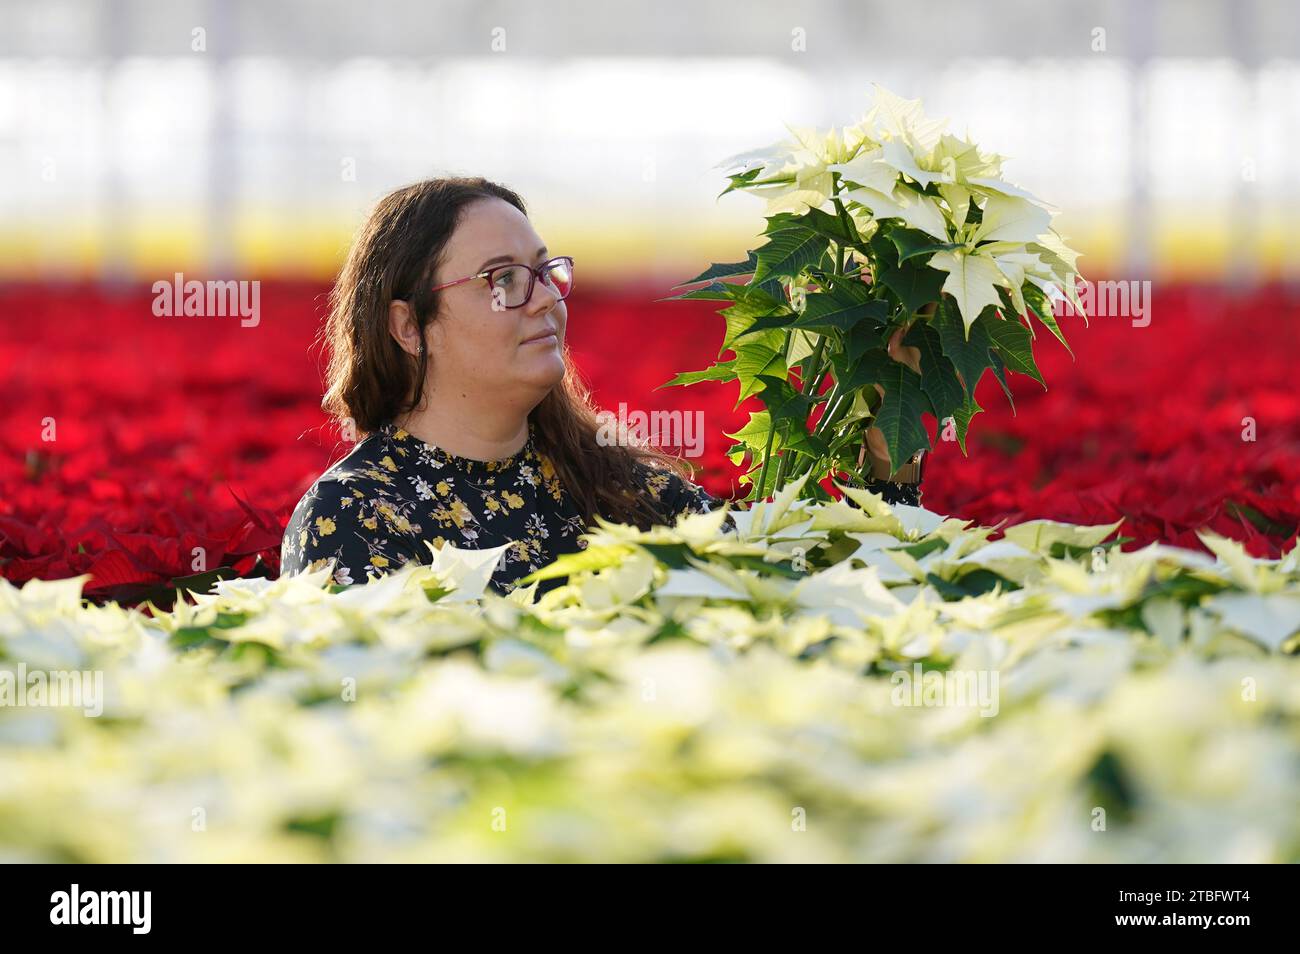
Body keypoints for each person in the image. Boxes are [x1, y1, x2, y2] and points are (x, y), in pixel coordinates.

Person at [280, 176, 923, 596]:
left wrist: (889, 460)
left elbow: (802, 598)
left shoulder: (627, 489)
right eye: (502, 279)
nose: (544, 302)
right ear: (407, 326)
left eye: (545, 272)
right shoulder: (355, 518)